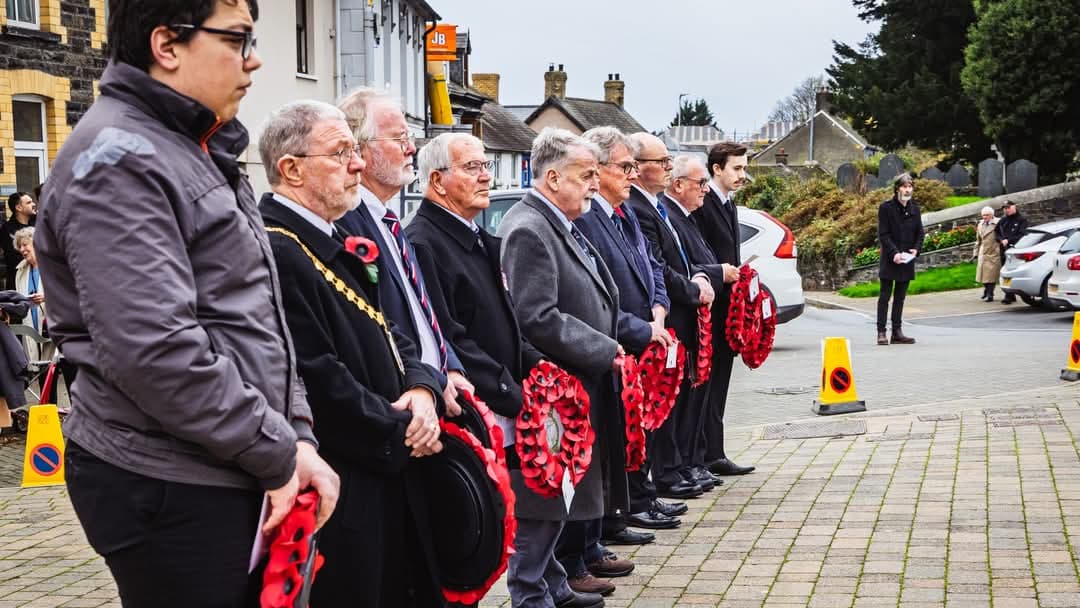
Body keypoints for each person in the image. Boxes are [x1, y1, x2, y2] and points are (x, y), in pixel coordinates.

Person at [33, 2, 340, 605]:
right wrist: (277, 450)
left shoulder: (193, 145)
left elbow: (256, 321)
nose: (254, 60)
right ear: (167, 45)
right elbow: (156, 350)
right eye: (237, 39)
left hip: (224, 461)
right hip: (173, 479)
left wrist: (296, 436)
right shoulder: (118, 159)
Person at [257, 100, 444, 607]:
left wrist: (424, 389)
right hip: (346, 472)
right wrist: (402, 428)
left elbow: (394, 331)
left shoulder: (337, 234)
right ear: (291, 169)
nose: (357, 164)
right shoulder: (277, 249)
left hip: (386, 461)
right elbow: (315, 374)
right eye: (341, 153)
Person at [404, 132, 549, 608]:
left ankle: (538, 587)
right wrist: (510, 391)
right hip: (474, 404)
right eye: (472, 167)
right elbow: (448, 333)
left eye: (486, 165)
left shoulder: (475, 233)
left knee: (524, 508)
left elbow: (505, 320)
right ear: (437, 181)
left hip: (503, 395)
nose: (486, 175)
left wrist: (539, 369)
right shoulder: (425, 241)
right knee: (480, 521)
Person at [497, 126, 620, 608]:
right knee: (546, 498)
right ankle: (532, 592)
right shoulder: (529, 228)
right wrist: (603, 346)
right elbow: (536, 317)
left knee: (561, 497)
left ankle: (551, 584)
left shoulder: (556, 222)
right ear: (552, 177)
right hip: (555, 387)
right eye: (586, 174)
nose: (595, 183)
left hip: (576, 381)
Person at [335, 87, 473, 413]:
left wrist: (449, 365)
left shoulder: (389, 222)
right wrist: (427, 381)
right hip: (402, 406)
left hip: (434, 396)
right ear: (360, 150)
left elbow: (422, 313)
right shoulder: (347, 225)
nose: (411, 148)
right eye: (399, 139)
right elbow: (380, 322)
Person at [572, 128, 675, 564]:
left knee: (631, 433)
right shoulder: (590, 217)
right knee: (613, 440)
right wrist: (638, 329)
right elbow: (594, 294)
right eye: (625, 167)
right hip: (614, 342)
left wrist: (659, 309)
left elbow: (651, 264)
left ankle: (625, 509)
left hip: (643, 333)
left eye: (635, 166)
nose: (633, 174)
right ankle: (612, 520)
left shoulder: (625, 212)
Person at [625, 133, 717, 501]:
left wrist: (698, 277)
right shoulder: (640, 209)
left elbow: (671, 260)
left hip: (674, 319)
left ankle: (670, 471)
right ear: (636, 167)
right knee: (659, 407)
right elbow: (657, 269)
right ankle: (660, 475)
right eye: (661, 162)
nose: (666, 167)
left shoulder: (656, 207)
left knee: (675, 403)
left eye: (667, 162)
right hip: (661, 324)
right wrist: (693, 290)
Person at [692, 142, 755, 477]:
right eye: (737, 168)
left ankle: (714, 452)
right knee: (706, 386)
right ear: (716, 168)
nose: (742, 175)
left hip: (729, 310)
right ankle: (703, 454)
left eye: (744, 168)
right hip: (710, 308)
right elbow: (697, 255)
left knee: (720, 386)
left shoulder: (728, 205)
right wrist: (721, 273)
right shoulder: (703, 205)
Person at [876, 173, 924, 345]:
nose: (907, 190)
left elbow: (920, 233)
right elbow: (884, 234)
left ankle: (897, 332)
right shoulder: (886, 208)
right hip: (891, 259)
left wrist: (916, 250)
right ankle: (881, 332)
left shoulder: (915, 209)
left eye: (910, 187)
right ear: (897, 188)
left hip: (907, 261)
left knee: (900, 298)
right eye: (904, 186)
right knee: (884, 297)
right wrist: (894, 253)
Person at [995, 200, 1028, 304]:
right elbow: (996, 232)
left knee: (1013, 272)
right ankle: (1009, 294)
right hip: (1004, 250)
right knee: (1005, 272)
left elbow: (1023, 234)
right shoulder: (1003, 220)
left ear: (1014, 207)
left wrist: (1009, 240)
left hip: (1016, 249)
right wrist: (1000, 240)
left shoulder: (1021, 220)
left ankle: (1012, 294)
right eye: (1005, 208)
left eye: (1008, 207)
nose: (1006, 210)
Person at [3, 192, 36, 290]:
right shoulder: (7, 229)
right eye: (29, 202)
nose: (33, 204)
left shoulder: (39, 222)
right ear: (19, 208)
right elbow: (13, 257)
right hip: (19, 280)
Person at [973, 206, 1001, 301]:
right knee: (982, 275)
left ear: (992, 215)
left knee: (991, 276)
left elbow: (1002, 236)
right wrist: (975, 253)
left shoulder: (998, 223)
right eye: (983, 215)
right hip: (983, 253)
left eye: (987, 215)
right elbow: (978, 240)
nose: (984, 217)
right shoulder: (980, 224)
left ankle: (990, 294)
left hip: (993, 252)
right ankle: (986, 290)